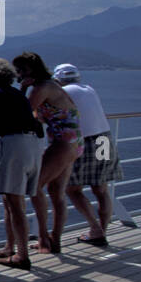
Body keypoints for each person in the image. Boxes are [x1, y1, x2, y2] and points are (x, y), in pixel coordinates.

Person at [12, 52, 80, 254]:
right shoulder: (52, 85)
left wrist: (22, 89)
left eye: (24, 70)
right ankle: (55, 240)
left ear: (34, 69)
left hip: (63, 142)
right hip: (73, 141)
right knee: (56, 192)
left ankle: (43, 238)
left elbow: (23, 114)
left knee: (34, 186)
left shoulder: (41, 88)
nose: (21, 73)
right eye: (19, 70)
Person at [0, 58, 43, 271]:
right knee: (10, 200)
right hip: (32, 145)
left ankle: (22, 256)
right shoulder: (18, 95)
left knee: (15, 204)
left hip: (14, 146)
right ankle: (11, 246)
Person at [54, 63, 122, 247]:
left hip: (85, 140)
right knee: (101, 189)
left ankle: (95, 230)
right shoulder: (89, 89)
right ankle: (102, 230)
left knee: (73, 189)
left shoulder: (63, 92)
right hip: (104, 138)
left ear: (58, 79)